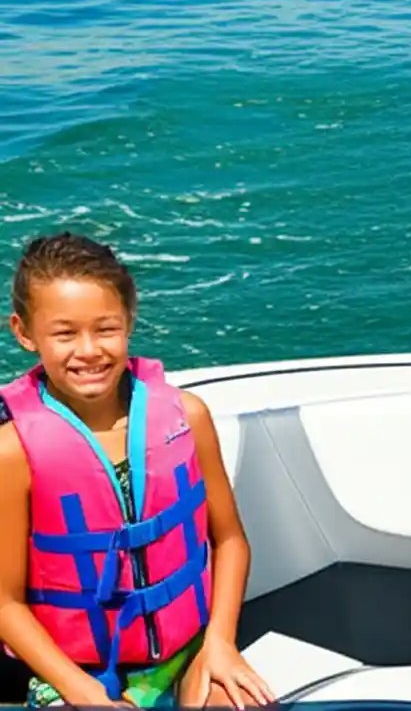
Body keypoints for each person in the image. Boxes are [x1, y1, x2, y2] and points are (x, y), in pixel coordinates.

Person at [0, 232, 274, 709]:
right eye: (65, 334)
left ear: (129, 321)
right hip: (75, 672)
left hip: (188, 653)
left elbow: (230, 541)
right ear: (24, 333)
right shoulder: (13, 452)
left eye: (105, 329)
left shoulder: (188, 417)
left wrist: (221, 644)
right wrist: (84, 693)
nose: (88, 350)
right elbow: (5, 603)